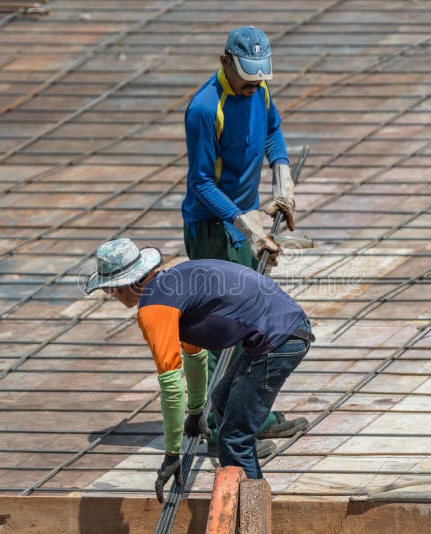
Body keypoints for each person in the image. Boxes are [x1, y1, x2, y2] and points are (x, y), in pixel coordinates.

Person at [86, 238, 314, 502]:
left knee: (234, 440)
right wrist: (196, 413)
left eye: (109, 290)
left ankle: (252, 516)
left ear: (123, 286)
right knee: (221, 399)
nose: (109, 295)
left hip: (280, 341)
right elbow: (195, 357)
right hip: (286, 329)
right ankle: (244, 470)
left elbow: (171, 385)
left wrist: (172, 454)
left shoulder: (155, 308)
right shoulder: (177, 283)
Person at [181, 25, 307, 454]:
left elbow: (272, 129)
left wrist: (282, 174)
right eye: (246, 78)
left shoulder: (260, 92)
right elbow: (200, 183)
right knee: (222, 328)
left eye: (260, 78)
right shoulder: (204, 109)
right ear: (224, 63)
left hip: (244, 217)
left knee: (252, 320)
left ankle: (250, 417)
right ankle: (224, 432)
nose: (254, 86)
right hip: (214, 228)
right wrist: (246, 225)